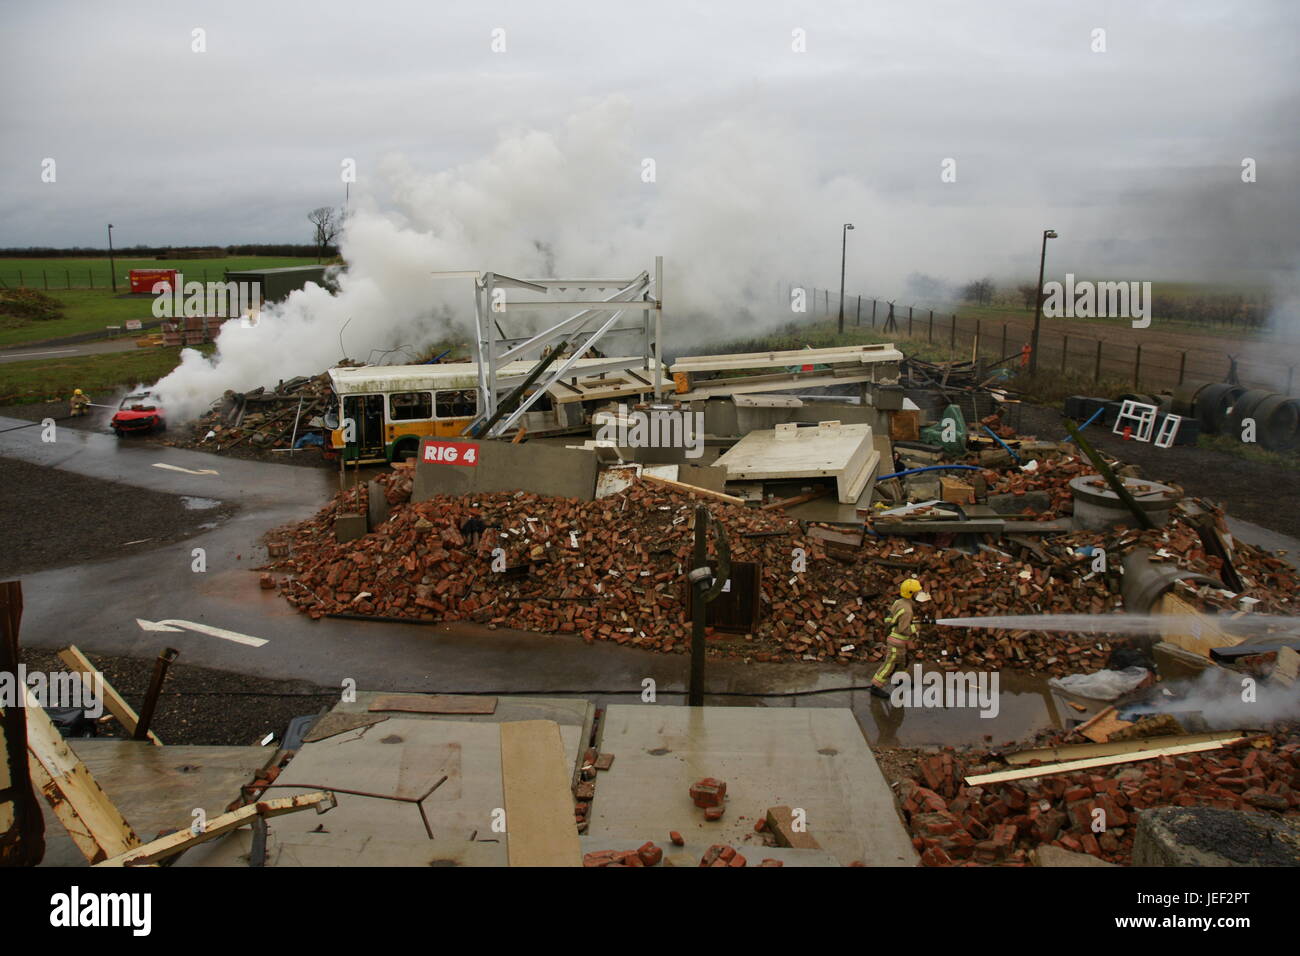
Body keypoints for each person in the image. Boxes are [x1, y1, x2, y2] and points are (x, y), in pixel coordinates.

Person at [869, 578, 930, 699]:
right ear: (911, 594)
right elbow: (904, 629)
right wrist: (918, 626)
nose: (920, 593)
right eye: (918, 592)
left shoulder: (899, 602)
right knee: (890, 664)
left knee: (902, 663)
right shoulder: (907, 610)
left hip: (896, 640)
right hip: (897, 641)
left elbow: (890, 617)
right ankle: (875, 686)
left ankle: (900, 681)